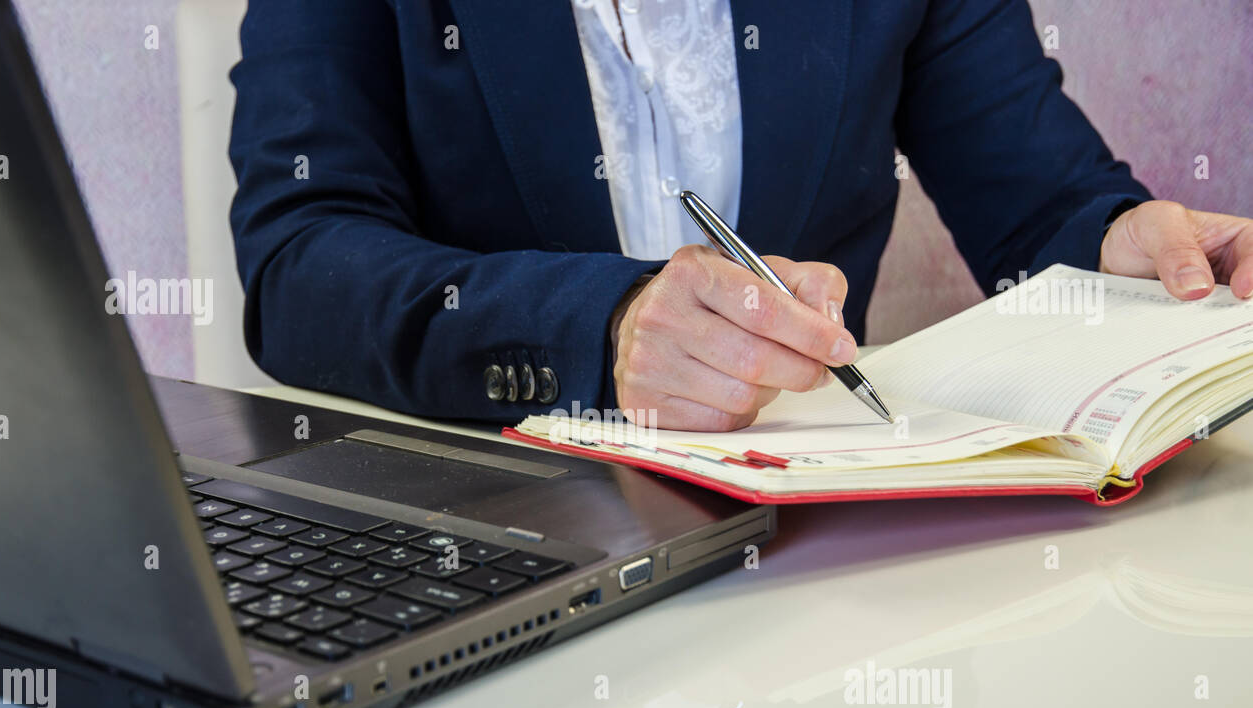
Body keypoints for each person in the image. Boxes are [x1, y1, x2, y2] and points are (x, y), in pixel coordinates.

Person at [228, 0, 1253, 432]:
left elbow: (1042, 206)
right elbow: (298, 266)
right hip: (495, 555)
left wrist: (1127, 250)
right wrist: (607, 324)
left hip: (814, 577)